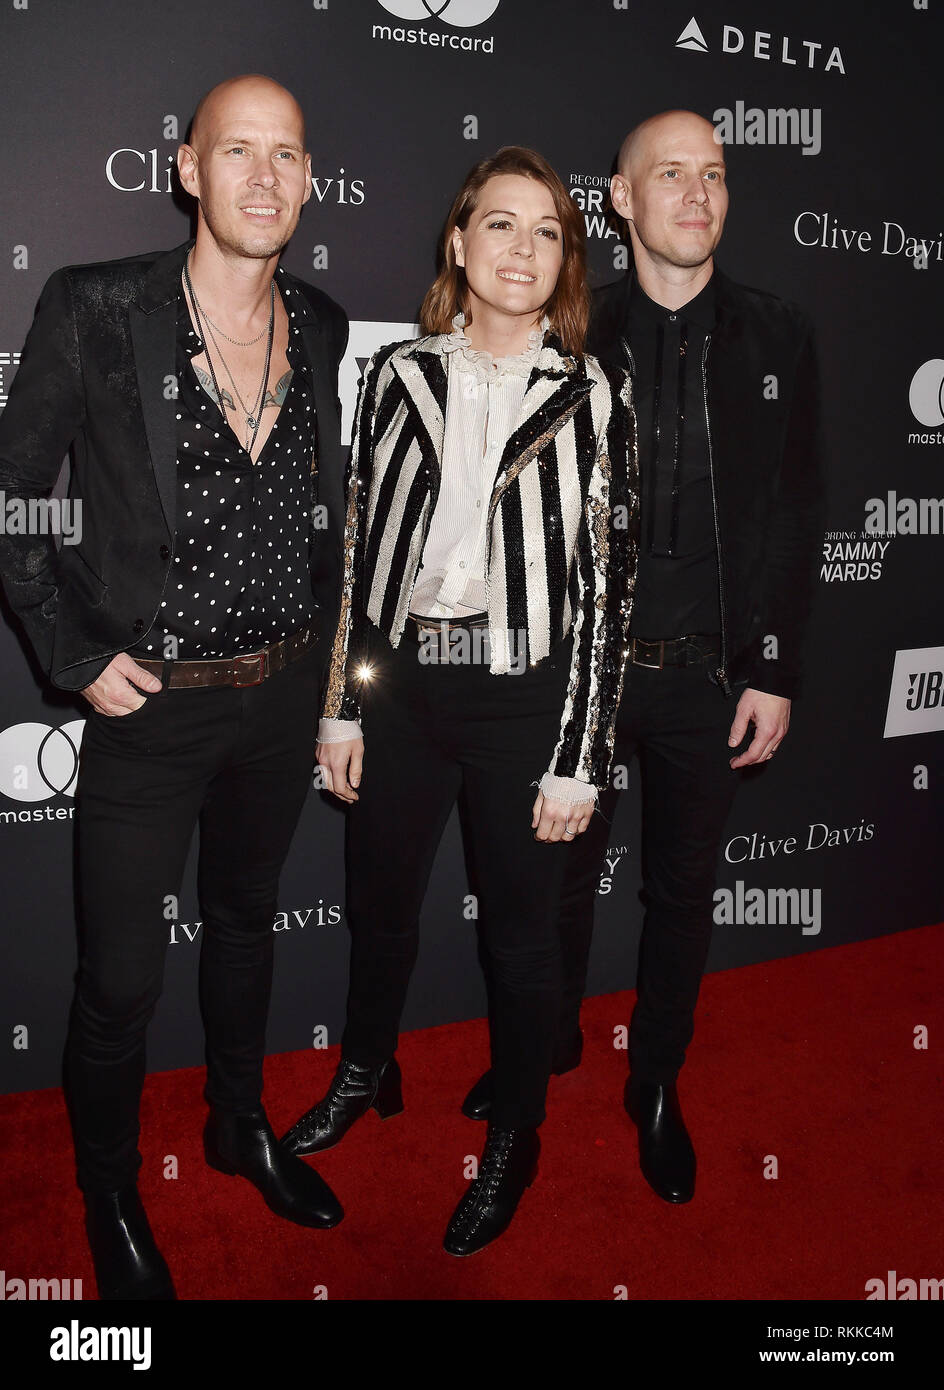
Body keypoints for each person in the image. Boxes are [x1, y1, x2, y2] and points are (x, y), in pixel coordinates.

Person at [0, 75, 349, 1300]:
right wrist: (75, 651)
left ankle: (236, 1124)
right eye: (235, 151)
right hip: (147, 709)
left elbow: (332, 521)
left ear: (307, 179)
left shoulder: (324, 320)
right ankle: (106, 1185)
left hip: (277, 695)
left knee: (247, 930)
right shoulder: (95, 307)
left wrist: (333, 685)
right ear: (186, 169)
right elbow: (17, 496)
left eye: (287, 155)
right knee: (122, 980)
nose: (263, 176)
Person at [461, 110, 824, 1206]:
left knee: (681, 891)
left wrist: (774, 668)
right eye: (667, 173)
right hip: (583, 668)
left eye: (711, 173)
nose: (695, 193)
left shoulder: (777, 333)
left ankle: (654, 1079)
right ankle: (548, 1040)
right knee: (554, 878)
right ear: (618, 199)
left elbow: (793, 510)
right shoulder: (574, 330)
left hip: (710, 675)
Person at [280, 146, 638, 1255]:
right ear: (458, 242)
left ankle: (515, 1133)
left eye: (546, 232)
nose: (521, 249)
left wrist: (580, 754)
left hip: (524, 700)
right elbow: (358, 550)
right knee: (379, 904)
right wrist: (340, 704)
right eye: (500, 225)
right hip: (400, 690)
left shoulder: (591, 396)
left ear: (565, 259)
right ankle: (366, 1068)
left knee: (521, 941)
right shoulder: (396, 377)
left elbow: (605, 595)